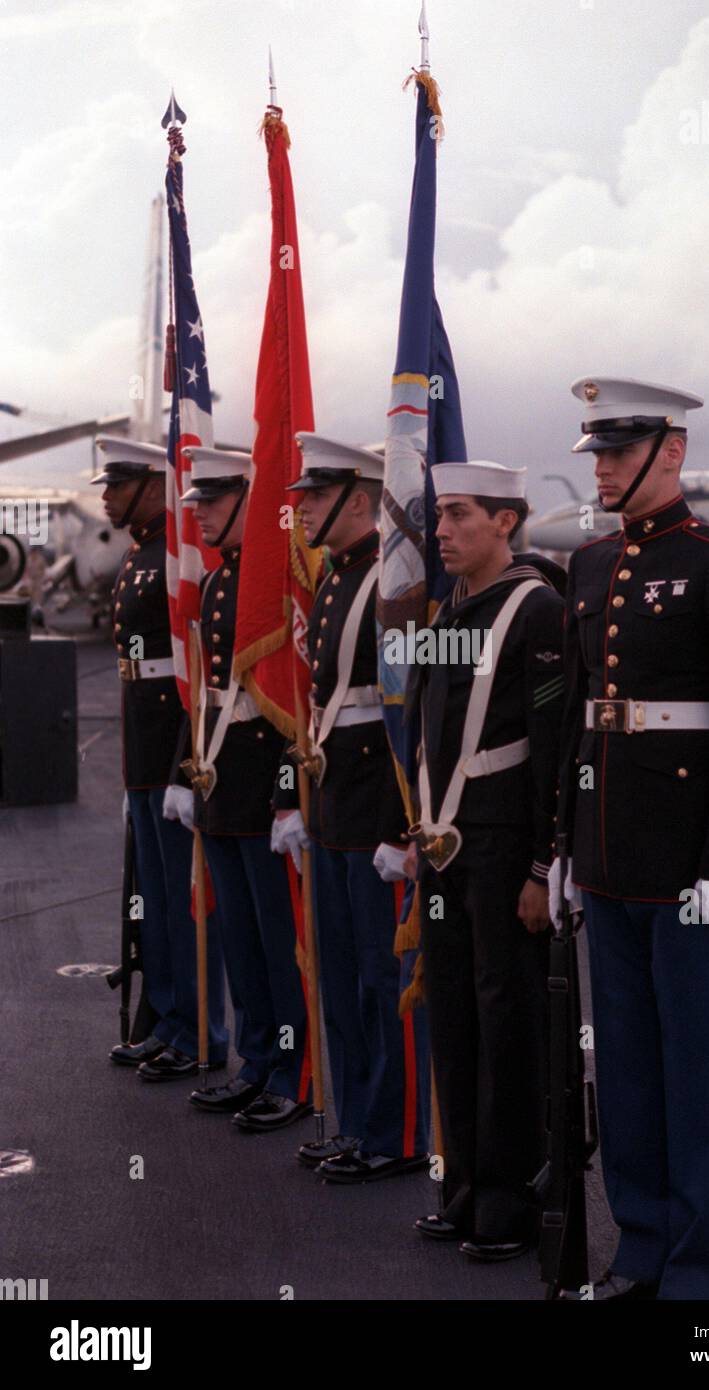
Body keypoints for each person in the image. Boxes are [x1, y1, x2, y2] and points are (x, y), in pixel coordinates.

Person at [554, 377, 709, 1300]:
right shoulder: (588, 567)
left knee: (698, 1080)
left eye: (618, 450)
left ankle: (697, 1273)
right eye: (597, 452)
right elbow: (581, 719)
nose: (602, 468)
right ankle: (639, 1249)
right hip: (611, 861)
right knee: (626, 1074)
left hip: (693, 868)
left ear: (672, 451)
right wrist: (568, 848)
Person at [405, 460, 564, 1261]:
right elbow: (427, 733)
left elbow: (551, 753)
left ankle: (510, 1203)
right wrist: (415, 831)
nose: (441, 532)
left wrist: (544, 868)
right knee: (457, 1016)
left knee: (509, 1022)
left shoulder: (538, 610)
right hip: (445, 850)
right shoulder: (447, 613)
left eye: (459, 515)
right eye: (438, 518)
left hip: (504, 848)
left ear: (505, 521)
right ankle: (463, 1188)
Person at [273, 433, 430, 1182]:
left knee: (382, 978)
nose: (299, 507)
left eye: (314, 495)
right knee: (338, 977)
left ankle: (397, 1135)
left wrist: (407, 827)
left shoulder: (394, 581)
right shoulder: (334, 579)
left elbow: (415, 711)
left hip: (377, 809)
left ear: (360, 501)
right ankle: (361, 1119)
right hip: (334, 803)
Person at [173, 446, 311, 1131]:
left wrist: (288, 790)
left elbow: (296, 696)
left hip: (261, 777)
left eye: (215, 502)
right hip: (222, 776)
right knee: (238, 938)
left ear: (248, 505)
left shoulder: (269, 582)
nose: (199, 516)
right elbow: (204, 690)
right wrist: (184, 772)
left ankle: (291, 1073)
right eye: (196, 504)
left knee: (276, 939)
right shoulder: (222, 581)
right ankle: (255, 1063)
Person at [93, 435, 227, 1080]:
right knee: (155, 895)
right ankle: (170, 1019)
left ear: (154, 484)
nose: (109, 497)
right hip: (141, 751)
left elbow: (194, 669)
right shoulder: (139, 554)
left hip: (174, 747)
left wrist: (181, 767)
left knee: (183, 898)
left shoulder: (180, 556)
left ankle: (200, 1029)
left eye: (118, 485)